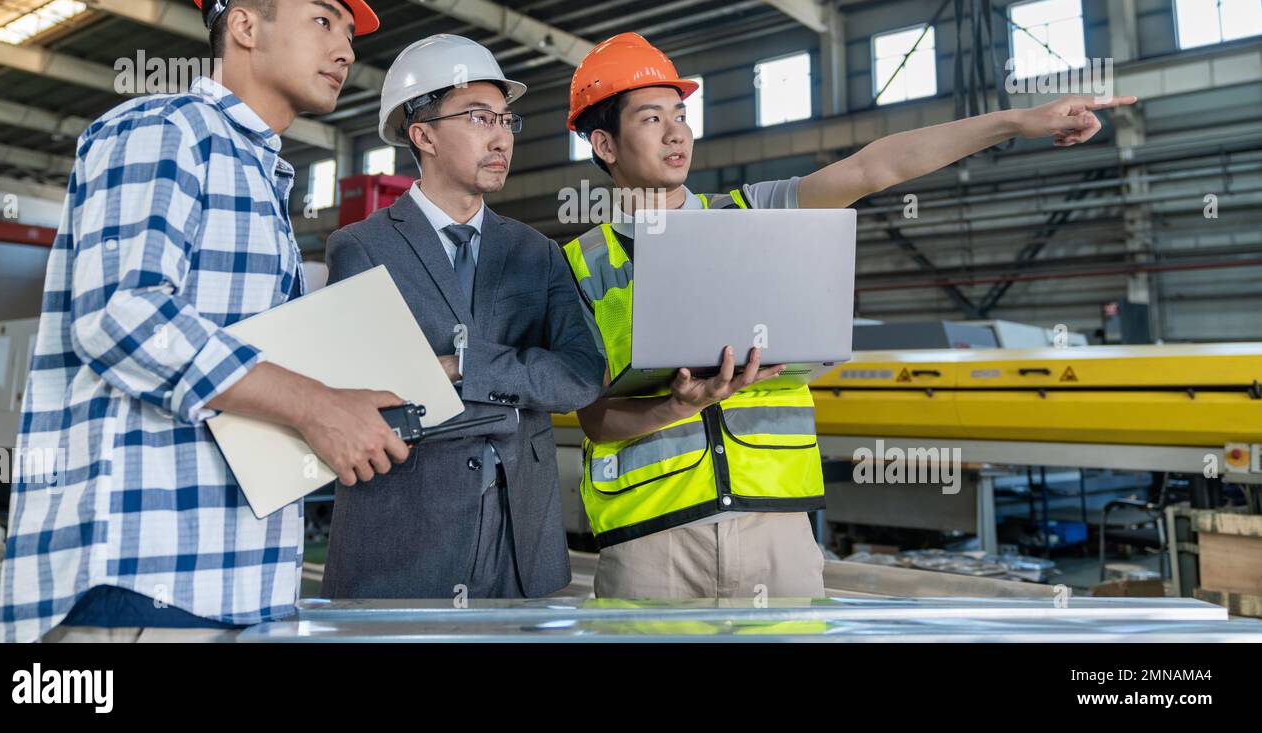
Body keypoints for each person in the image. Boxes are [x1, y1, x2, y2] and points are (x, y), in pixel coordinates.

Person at [563, 31, 1136, 599]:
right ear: (606, 145)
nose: (677, 132)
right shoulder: (578, 267)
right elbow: (595, 420)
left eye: (681, 114)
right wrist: (675, 406)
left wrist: (1016, 122)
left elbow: (875, 168)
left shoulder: (755, 214)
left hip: (777, 526)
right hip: (652, 539)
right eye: (651, 118)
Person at [0, 0, 409, 642]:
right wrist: (315, 405)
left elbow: (242, 360)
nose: (346, 49)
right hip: (141, 577)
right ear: (244, 26)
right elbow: (124, 316)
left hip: (230, 578)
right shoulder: (163, 128)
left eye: (350, 31)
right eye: (324, 20)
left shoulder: (257, 176)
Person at [321, 34, 605, 600]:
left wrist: (462, 366)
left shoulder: (536, 252)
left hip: (520, 536)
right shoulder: (361, 247)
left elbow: (579, 374)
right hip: (403, 531)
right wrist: (515, 392)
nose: (501, 136)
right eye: (479, 118)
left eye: (506, 120)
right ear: (421, 135)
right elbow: (361, 396)